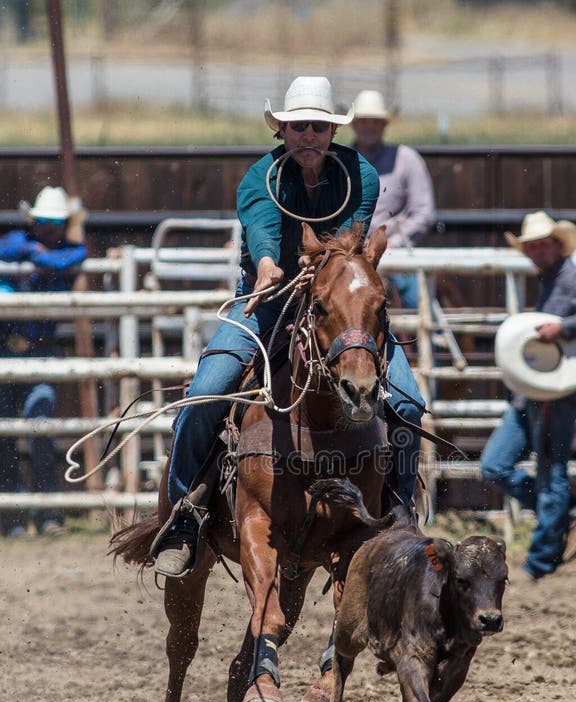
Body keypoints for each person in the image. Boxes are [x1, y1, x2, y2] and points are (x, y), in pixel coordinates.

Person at [153, 76, 425, 578]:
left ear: (331, 131)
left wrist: (327, 274)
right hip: (269, 295)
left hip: (337, 297)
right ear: (282, 129)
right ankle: (185, 515)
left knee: (408, 403)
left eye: (319, 127)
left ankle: (400, 514)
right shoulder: (261, 178)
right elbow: (261, 227)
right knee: (209, 391)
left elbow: (352, 239)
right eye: (299, 126)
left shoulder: (359, 172)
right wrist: (264, 264)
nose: (309, 135)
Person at [480, 211, 576, 580]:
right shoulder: (554, 279)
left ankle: (541, 558)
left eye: (541, 244)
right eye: (532, 245)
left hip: (554, 390)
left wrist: (562, 327)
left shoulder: (573, 279)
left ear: (556, 245)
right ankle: (560, 515)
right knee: (497, 465)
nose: (536, 250)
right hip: (538, 389)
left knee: (548, 469)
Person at [0, 185, 87, 536]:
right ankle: (15, 515)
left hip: (38, 348)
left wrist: (31, 255)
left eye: (56, 222)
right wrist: (34, 252)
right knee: (5, 432)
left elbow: (66, 260)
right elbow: (10, 246)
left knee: (40, 426)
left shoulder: (70, 251)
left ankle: (47, 513)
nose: (51, 228)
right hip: (8, 349)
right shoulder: (19, 241)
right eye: (45, 222)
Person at [350, 89, 436, 309]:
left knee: (419, 304)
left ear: (384, 124)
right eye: (363, 121)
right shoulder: (339, 161)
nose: (369, 126)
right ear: (353, 124)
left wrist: (392, 243)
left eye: (375, 121)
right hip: (347, 251)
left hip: (394, 254)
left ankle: (427, 343)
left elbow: (424, 212)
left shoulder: (407, 159)